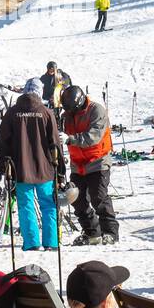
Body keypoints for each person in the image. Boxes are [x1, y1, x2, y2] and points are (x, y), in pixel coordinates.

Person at [0, 78, 62, 251]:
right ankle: (51, 242)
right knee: (48, 205)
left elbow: (2, 140)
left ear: (25, 91)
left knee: (26, 206)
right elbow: (55, 142)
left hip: (21, 168)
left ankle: (32, 242)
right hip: (45, 169)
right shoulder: (46, 113)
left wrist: (4, 163)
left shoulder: (12, 113)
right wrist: (60, 170)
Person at [61, 85, 119, 245]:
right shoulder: (67, 114)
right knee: (76, 199)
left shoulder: (96, 110)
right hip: (77, 164)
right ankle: (92, 232)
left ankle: (110, 232)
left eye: (71, 109)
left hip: (98, 161)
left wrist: (70, 138)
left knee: (98, 198)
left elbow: (94, 136)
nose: (69, 112)